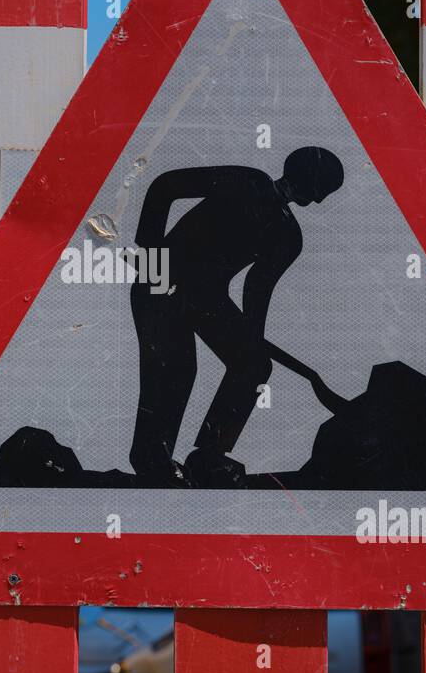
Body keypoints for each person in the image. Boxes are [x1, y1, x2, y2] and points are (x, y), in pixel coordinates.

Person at [128, 146, 344, 485]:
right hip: (160, 283)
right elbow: (165, 186)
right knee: (179, 367)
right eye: (320, 191)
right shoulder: (247, 180)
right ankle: (150, 455)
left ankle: (210, 455)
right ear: (308, 180)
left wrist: (251, 339)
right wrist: (151, 252)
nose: (317, 201)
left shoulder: (289, 236)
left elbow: (257, 291)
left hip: (206, 299)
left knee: (255, 363)